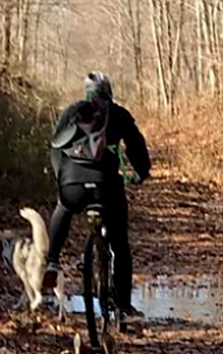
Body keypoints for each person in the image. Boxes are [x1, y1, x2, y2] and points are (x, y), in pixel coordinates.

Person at [42, 74, 152, 318]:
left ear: (87, 91)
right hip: (107, 186)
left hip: (72, 185)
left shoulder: (72, 112)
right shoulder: (119, 114)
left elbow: (55, 147)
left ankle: (52, 260)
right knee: (120, 244)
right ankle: (123, 304)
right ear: (108, 92)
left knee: (64, 207)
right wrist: (142, 173)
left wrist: (61, 178)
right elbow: (136, 146)